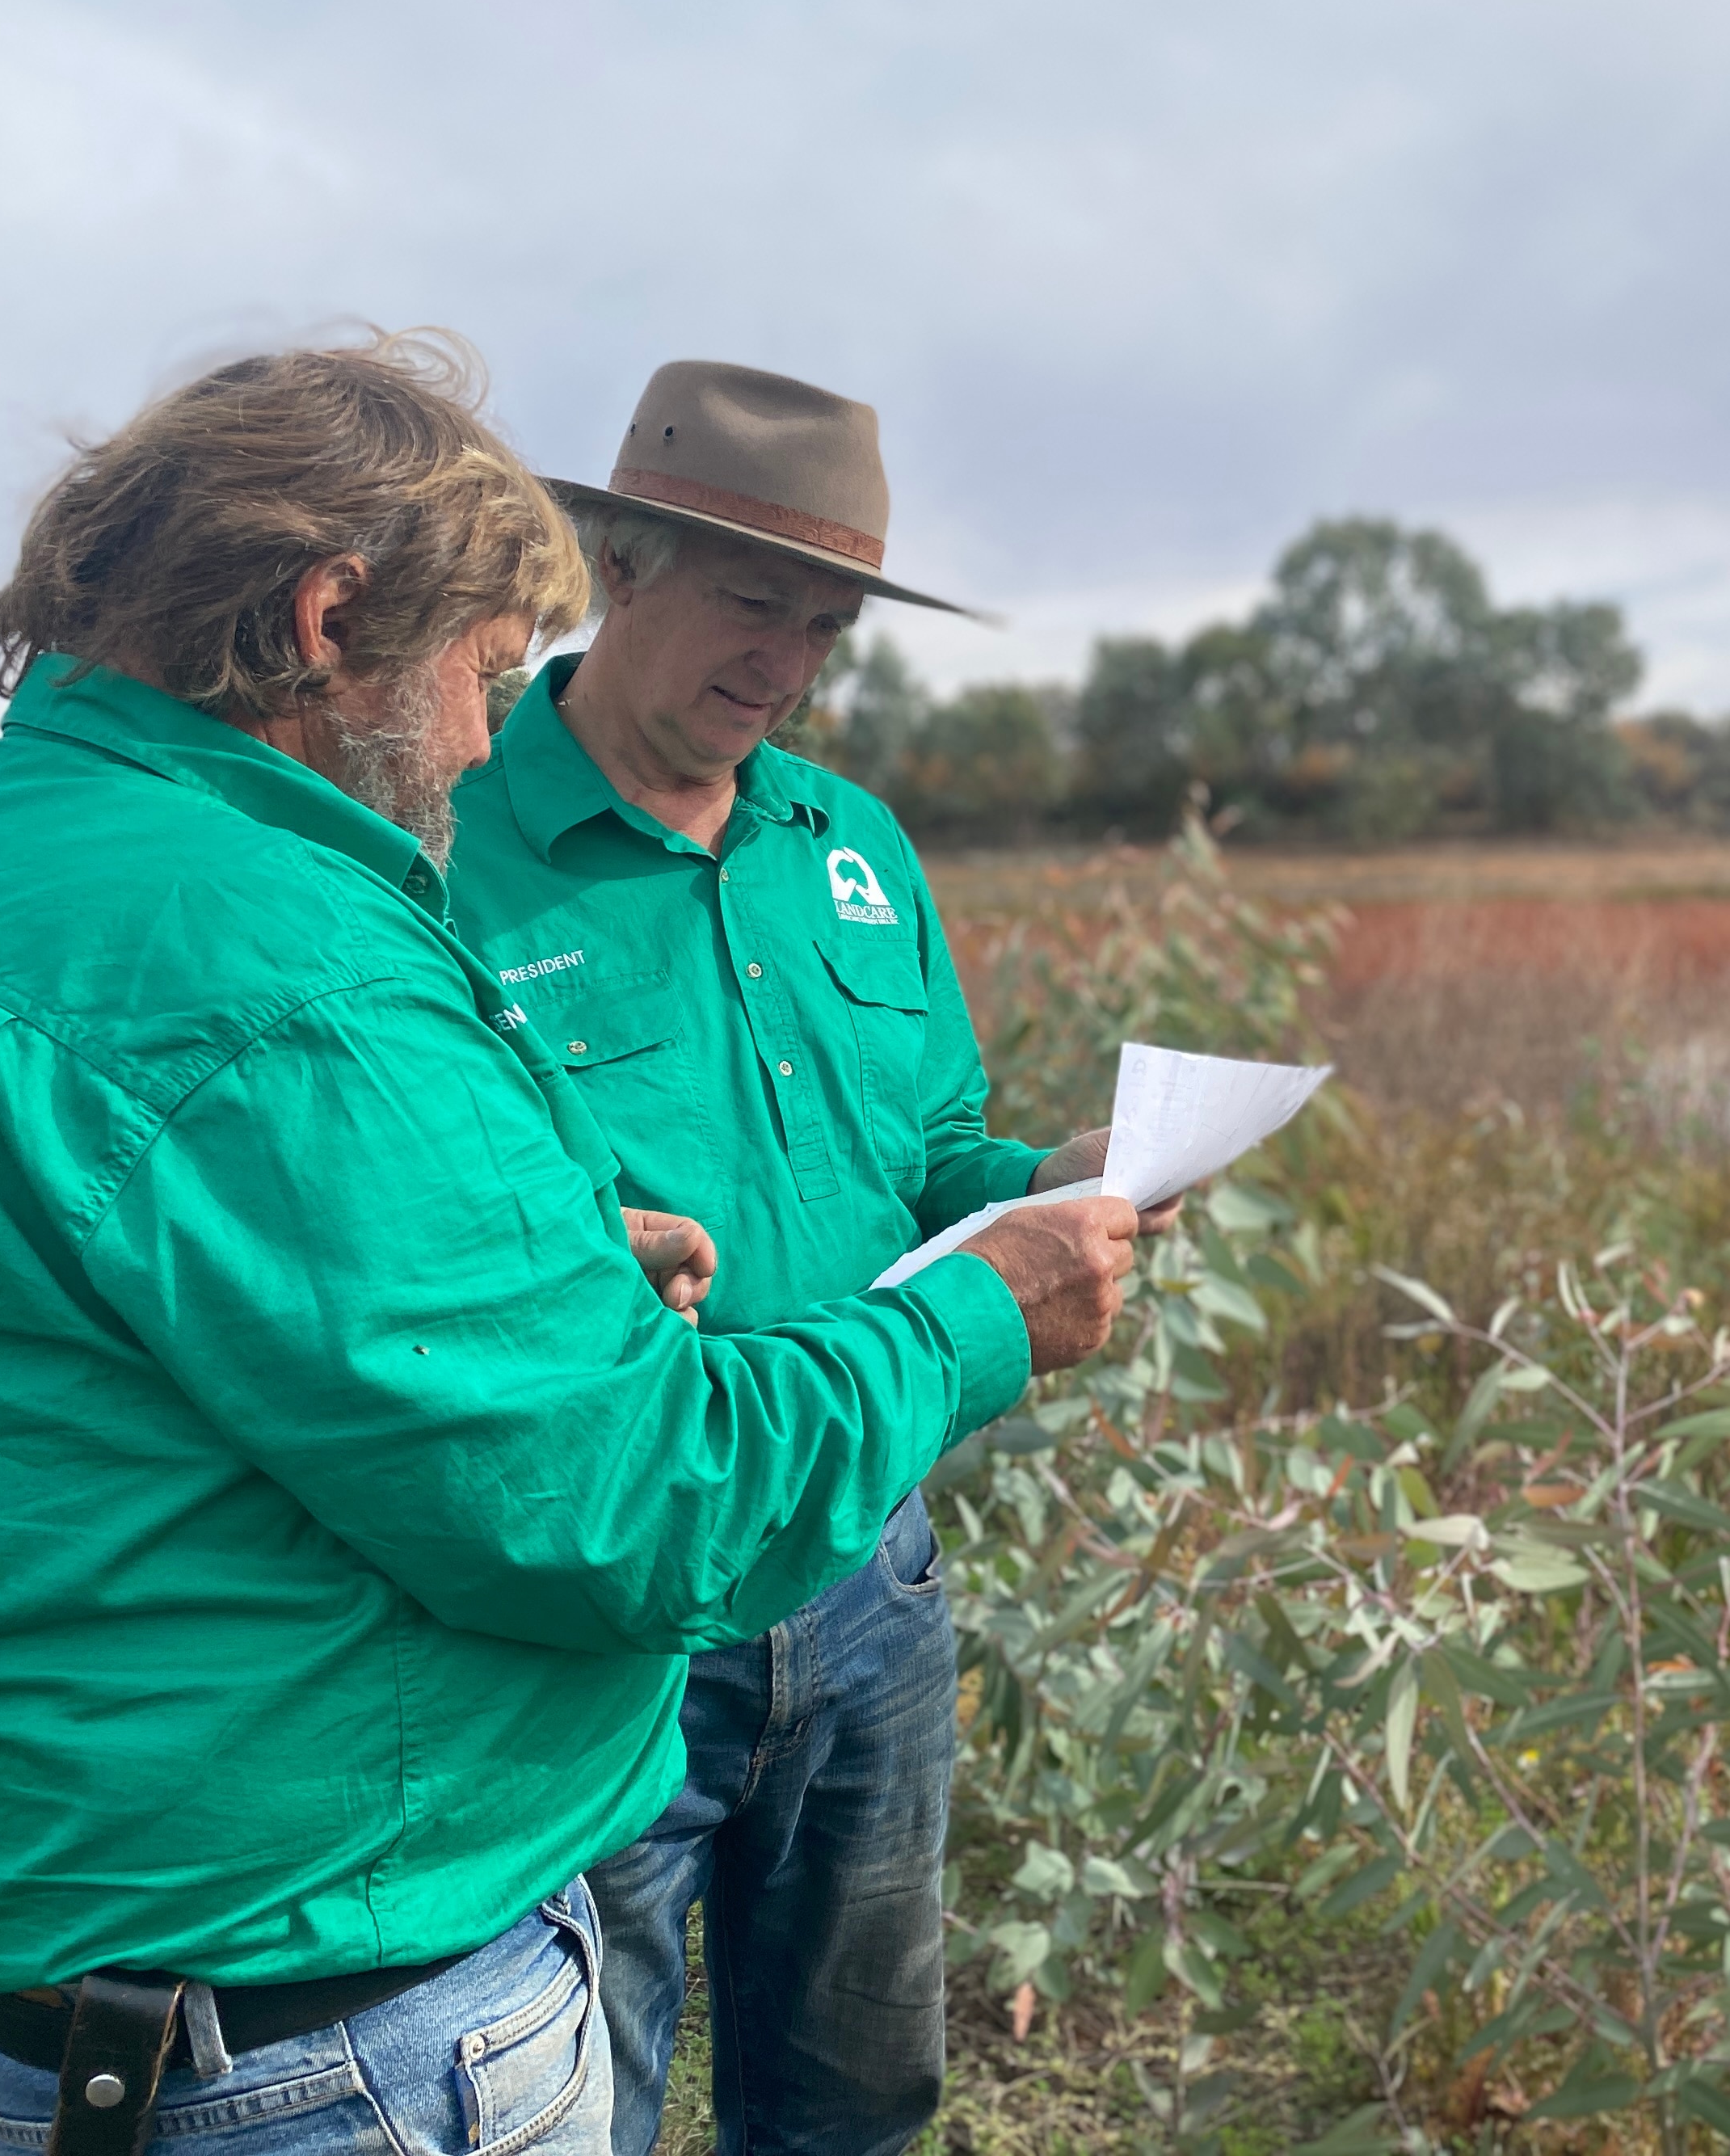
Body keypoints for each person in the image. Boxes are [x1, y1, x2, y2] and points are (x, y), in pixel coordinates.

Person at [0, 336, 1142, 2156]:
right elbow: (637, 1504)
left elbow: (274, 1275)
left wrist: (567, 1251)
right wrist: (981, 1314)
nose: (491, 730)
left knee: (852, 2080)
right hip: (348, 1988)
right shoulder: (310, 937)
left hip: (259, 1903)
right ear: (335, 618)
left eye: (831, 626)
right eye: (488, 669)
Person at [446, 359, 1151, 2156]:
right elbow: (413, 1231)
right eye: (756, 602)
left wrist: (1052, 1182)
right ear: (618, 557)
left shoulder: (852, 849)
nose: (789, 660)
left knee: (852, 2099)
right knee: (565, 2102)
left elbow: (923, 1164)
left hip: (872, 1581)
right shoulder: (446, 847)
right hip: (606, 1619)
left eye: (828, 625)